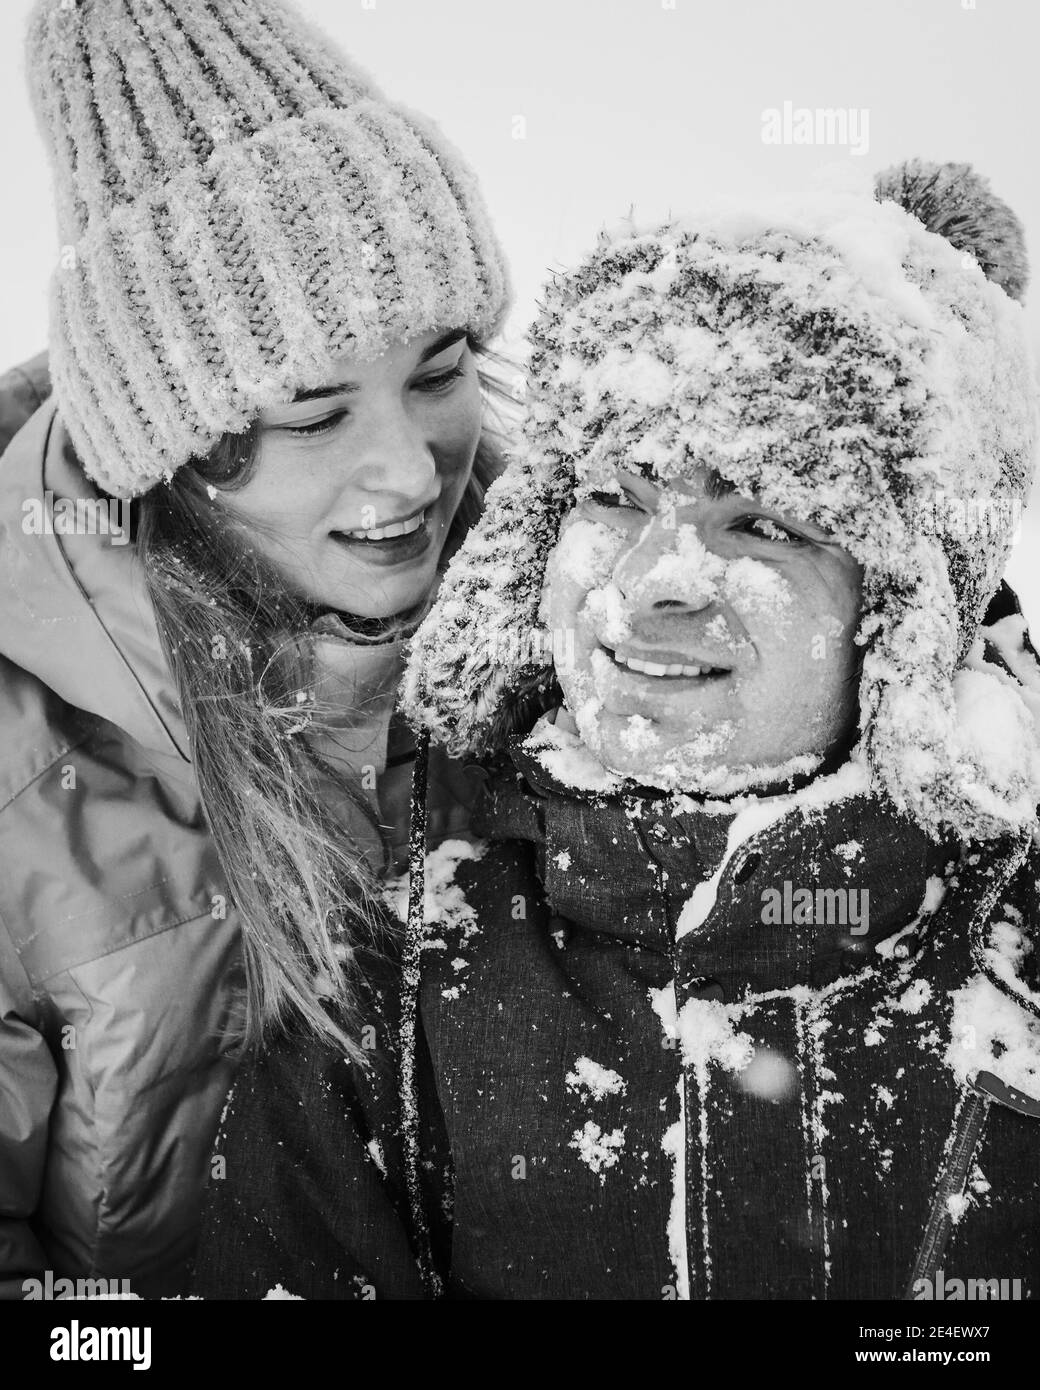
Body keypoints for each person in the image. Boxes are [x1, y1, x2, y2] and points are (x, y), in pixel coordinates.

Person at [195, 160, 1040, 1300]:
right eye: (616, 495)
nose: (652, 585)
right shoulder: (395, 957)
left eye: (763, 520)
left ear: (902, 607)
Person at [0, 0, 509, 1299]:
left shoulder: (583, 622)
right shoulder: (24, 781)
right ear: (172, 449)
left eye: (440, 367)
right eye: (313, 411)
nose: (407, 469)